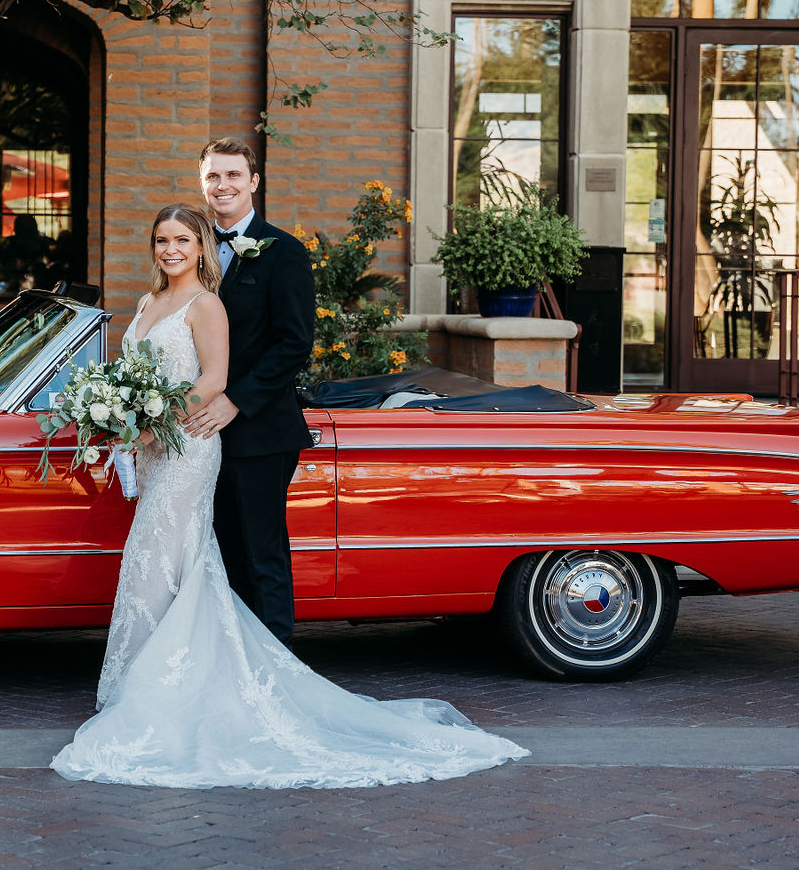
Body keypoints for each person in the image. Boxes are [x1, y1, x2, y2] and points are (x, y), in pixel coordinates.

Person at [50, 202, 526, 788]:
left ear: (201, 247)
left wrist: (154, 422)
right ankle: (154, 685)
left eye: (182, 240)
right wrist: (118, 412)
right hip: (153, 452)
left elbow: (214, 379)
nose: (170, 250)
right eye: (161, 240)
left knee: (167, 561)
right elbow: (134, 374)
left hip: (187, 445)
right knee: (165, 565)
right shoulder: (148, 303)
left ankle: (183, 690)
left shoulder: (207, 304)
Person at [182, 136, 312, 645]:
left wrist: (234, 401)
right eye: (213, 176)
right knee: (222, 554)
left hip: (260, 431)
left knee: (263, 554)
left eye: (233, 175)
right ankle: (235, 660)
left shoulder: (284, 252)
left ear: (253, 181)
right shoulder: (190, 249)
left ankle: (276, 666)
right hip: (199, 433)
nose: (223, 185)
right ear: (202, 183)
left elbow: (294, 343)